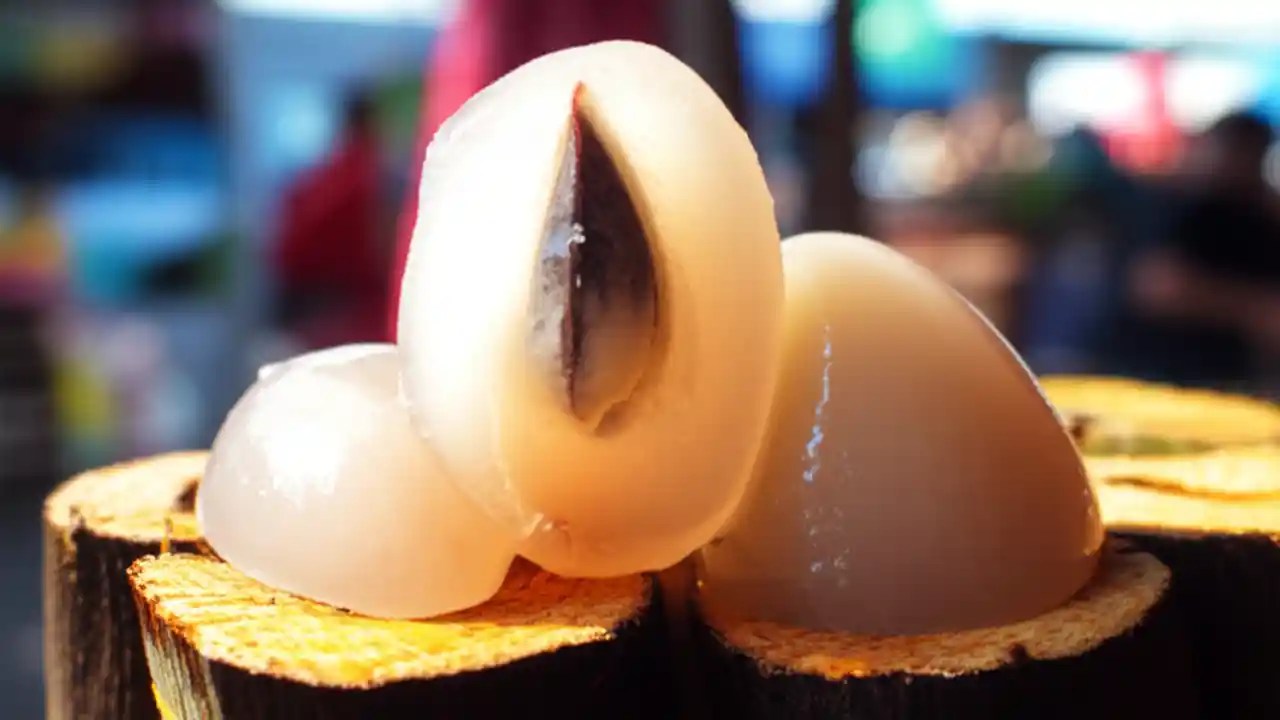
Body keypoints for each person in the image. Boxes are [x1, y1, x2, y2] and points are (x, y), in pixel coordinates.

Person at [1123, 111, 1280, 388]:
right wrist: (1252, 310)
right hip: (1157, 375)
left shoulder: (1260, 216)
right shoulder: (1177, 205)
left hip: (1234, 380)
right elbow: (1158, 288)